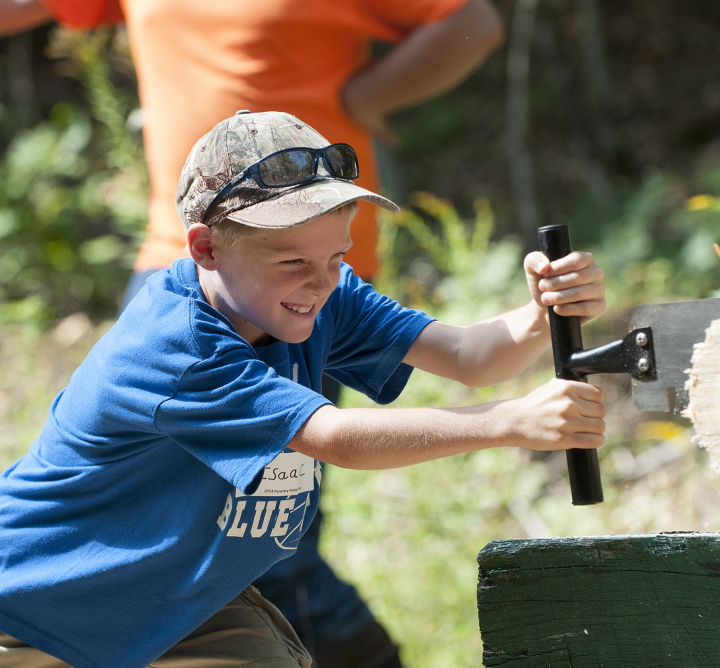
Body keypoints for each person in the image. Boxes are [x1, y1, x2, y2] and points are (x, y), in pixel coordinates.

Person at [0, 110, 606, 668]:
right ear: (206, 248)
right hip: (36, 608)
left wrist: (541, 311)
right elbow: (336, 438)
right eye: (292, 263)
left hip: (173, 602)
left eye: (337, 256)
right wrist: (507, 422)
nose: (320, 283)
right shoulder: (177, 346)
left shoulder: (322, 295)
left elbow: (471, 356)